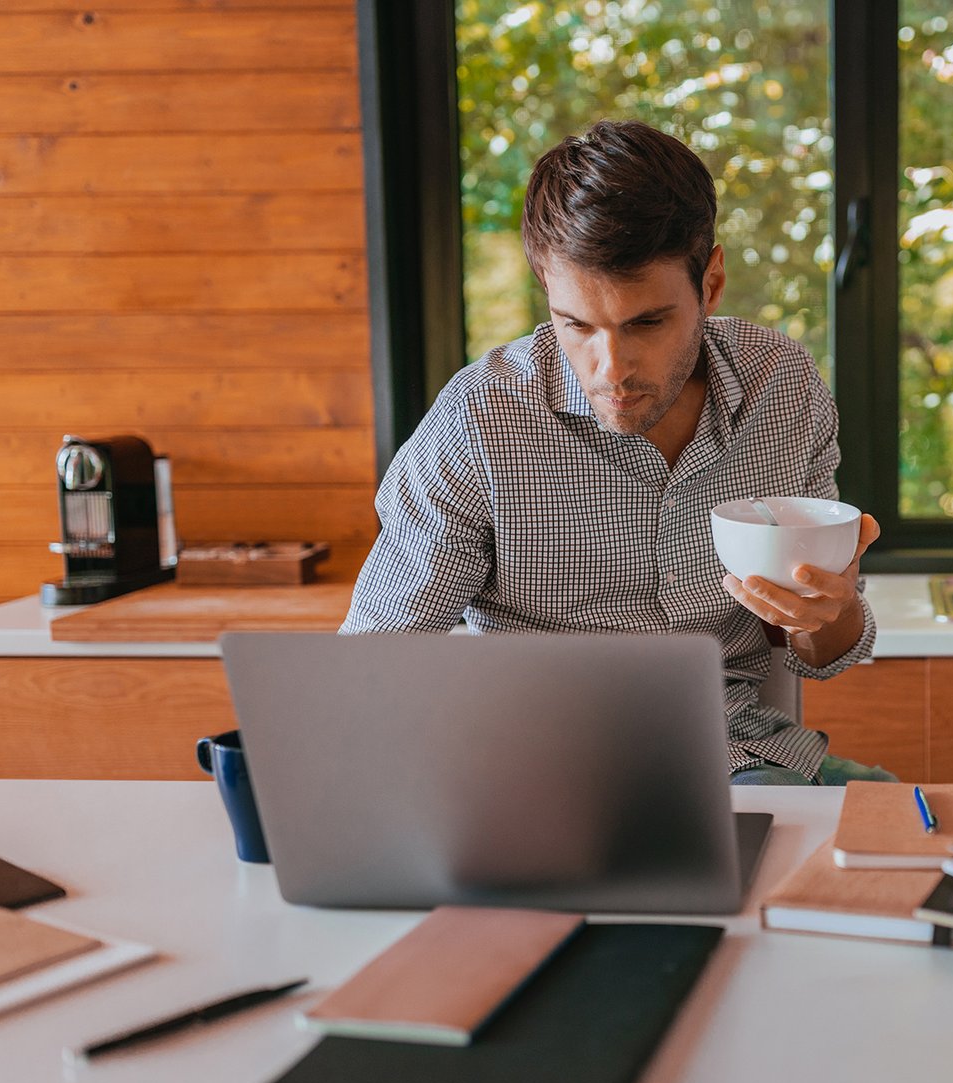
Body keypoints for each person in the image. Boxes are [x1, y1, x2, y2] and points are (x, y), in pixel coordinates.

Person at [341, 119, 889, 786]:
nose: (611, 370)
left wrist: (830, 609)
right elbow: (377, 661)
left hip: (731, 753)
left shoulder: (782, 387)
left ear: (711, 284)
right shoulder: (480, 420)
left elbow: (824, 654)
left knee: (924, 829)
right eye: (576, 324)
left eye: (647, 323)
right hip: (536, 768)